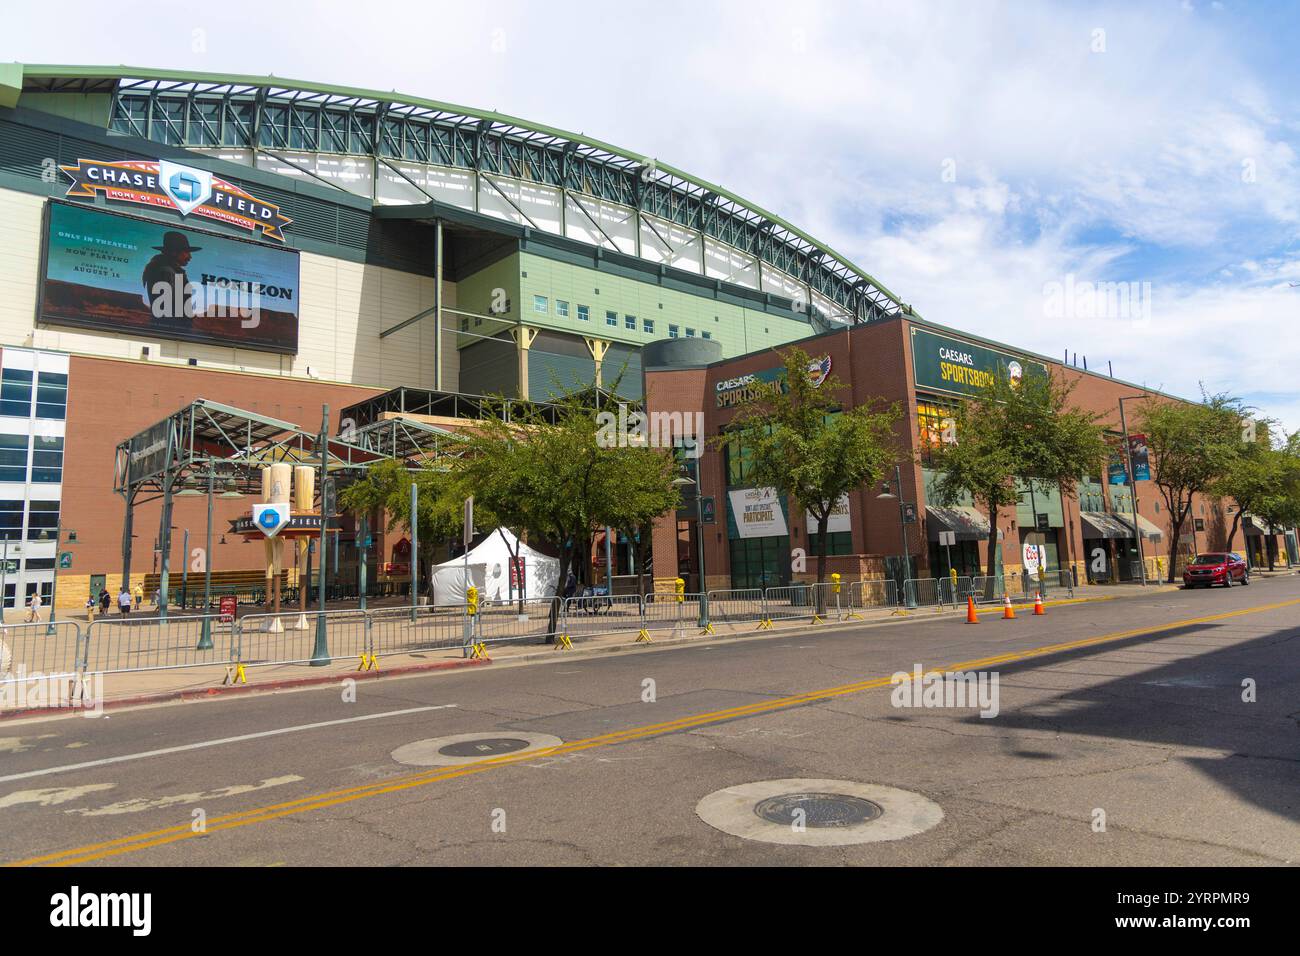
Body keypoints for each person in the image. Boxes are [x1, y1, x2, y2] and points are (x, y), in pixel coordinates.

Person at [141, 231, 201, 325]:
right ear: (174, 252)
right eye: (186, 252)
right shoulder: (166, 271)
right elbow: (167, 309)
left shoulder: (164, 269)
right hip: (171, 328)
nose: (190, 257)